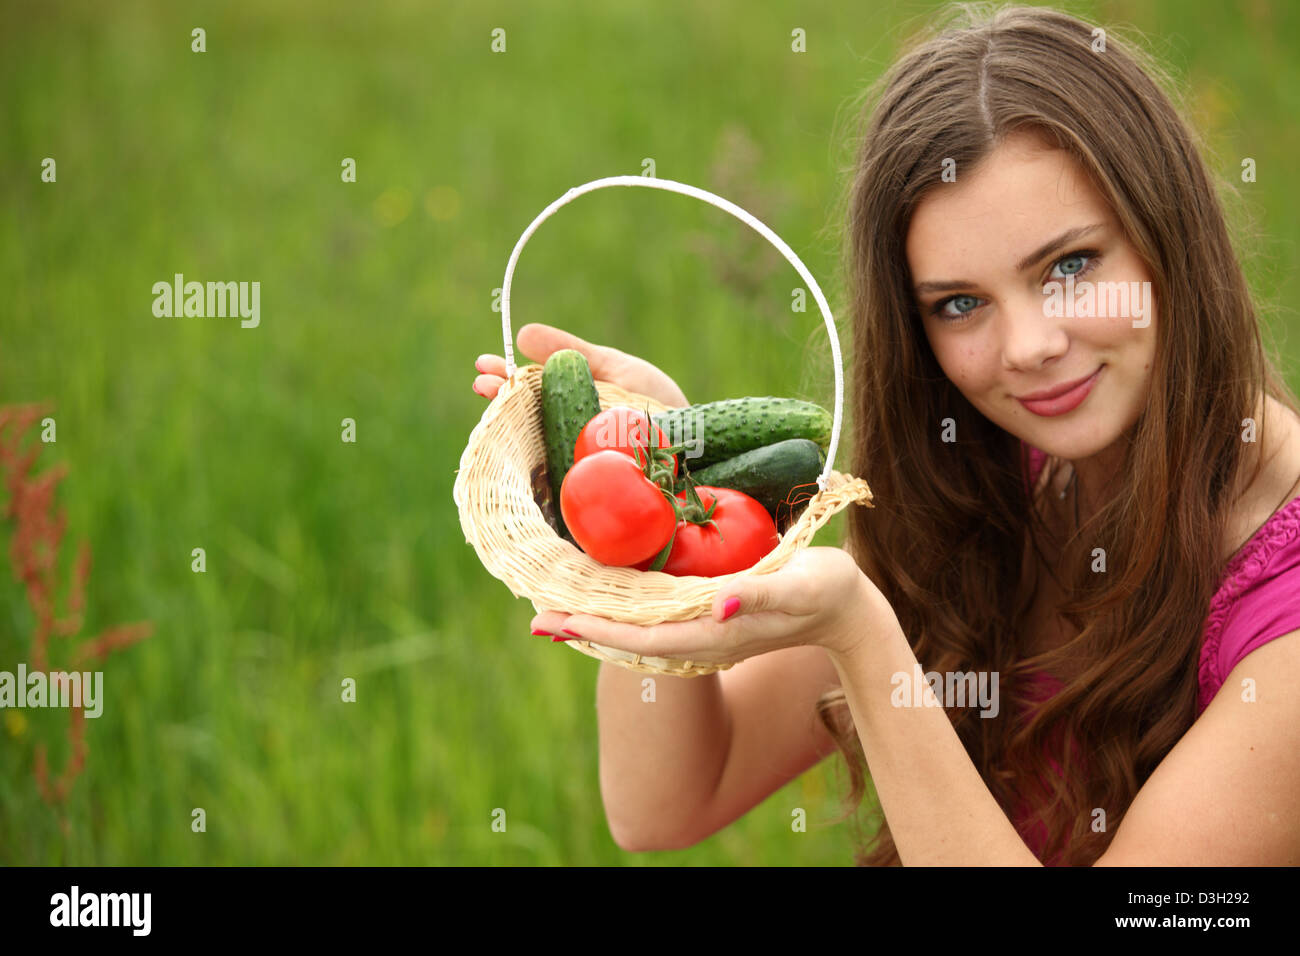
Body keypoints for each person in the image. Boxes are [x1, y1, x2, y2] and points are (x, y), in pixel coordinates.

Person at [470, 4, 1300, 865]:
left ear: (1172, 232)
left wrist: (865, 641)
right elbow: (665, 805)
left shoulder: (1286, 618)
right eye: (960, 304)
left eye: (1070, 267)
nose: (1029, 348)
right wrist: (654, 508)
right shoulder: (991, 482)